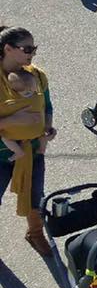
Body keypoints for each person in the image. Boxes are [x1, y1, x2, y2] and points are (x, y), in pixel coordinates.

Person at [0, 27, 55, 256]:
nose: (32, 53)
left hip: (33, 151)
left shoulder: (36, 76)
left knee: (35, 197)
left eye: (34, 48)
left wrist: (47, 127)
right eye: (27, 49)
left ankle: (35, 233)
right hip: (1, 154)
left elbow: (47, 106)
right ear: (8, 49)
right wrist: (14, 121)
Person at [2, 71, 37, 159]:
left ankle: (18, 152)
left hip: (15, 131)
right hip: (35, 128)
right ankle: (42, 148)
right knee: (43, 135)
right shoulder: (37, 98)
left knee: (5, 138)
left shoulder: (13, 102)